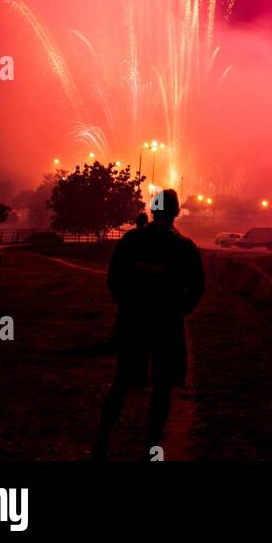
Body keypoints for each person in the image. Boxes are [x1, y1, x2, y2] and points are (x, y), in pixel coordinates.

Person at [92, 188, 205, 459]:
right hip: (167, 326)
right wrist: (179, 310)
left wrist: (126, 304)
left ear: (153, 211)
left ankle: (101, 442)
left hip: (133, 322)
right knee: (162, 388)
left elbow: (114, 278)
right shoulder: (185, 247)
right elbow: (197, 288)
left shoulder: (131, 240)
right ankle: (152, 448)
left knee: (121, 383)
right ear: (176, 212)